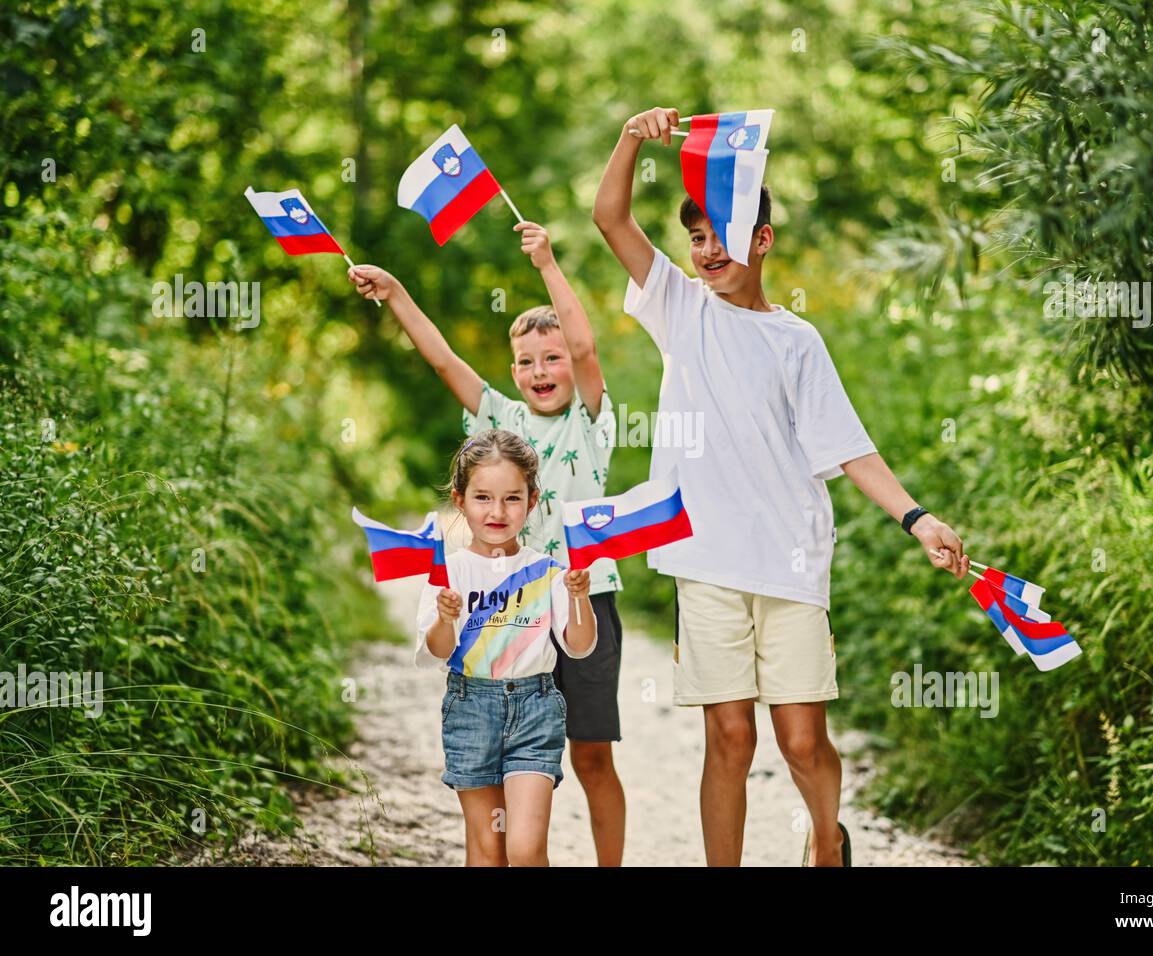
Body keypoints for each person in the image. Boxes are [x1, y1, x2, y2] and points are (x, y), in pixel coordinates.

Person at [592, 106, 971, 867]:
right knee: (729, 735)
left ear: (762, 240)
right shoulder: (679, 305)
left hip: (793, 562)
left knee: (802, 740)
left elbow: (849, 447)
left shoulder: (798, 339)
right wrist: (634, 136)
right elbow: (609, 217)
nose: (705, 252)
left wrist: (918, 519)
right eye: (695, 238)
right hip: (704, 560)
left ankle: (826, 843)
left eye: (721, 236)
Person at [348, 222, 629, 866]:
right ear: (513, 372)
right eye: (528, 362)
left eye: (551, 358)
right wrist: (395, 295)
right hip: (509, 609)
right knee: (516, 755)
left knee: (589, 753)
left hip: (585, 602)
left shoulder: (592, 419)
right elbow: (443, 358)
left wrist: (548, 264)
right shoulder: (501, 418)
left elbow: (586, 348)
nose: (542, 370)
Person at [414, 429, 596, 866]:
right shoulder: (449, 574)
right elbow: (435, 653)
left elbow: (580, 645)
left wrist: (579, 597)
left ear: (532, 502)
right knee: (488, 849)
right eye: (483, 498)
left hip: (535, 710)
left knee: (525, 848)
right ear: (460, 500)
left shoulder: (547, 571)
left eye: (512, 499)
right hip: (470, 709)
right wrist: (446, 617)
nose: (497, 511)